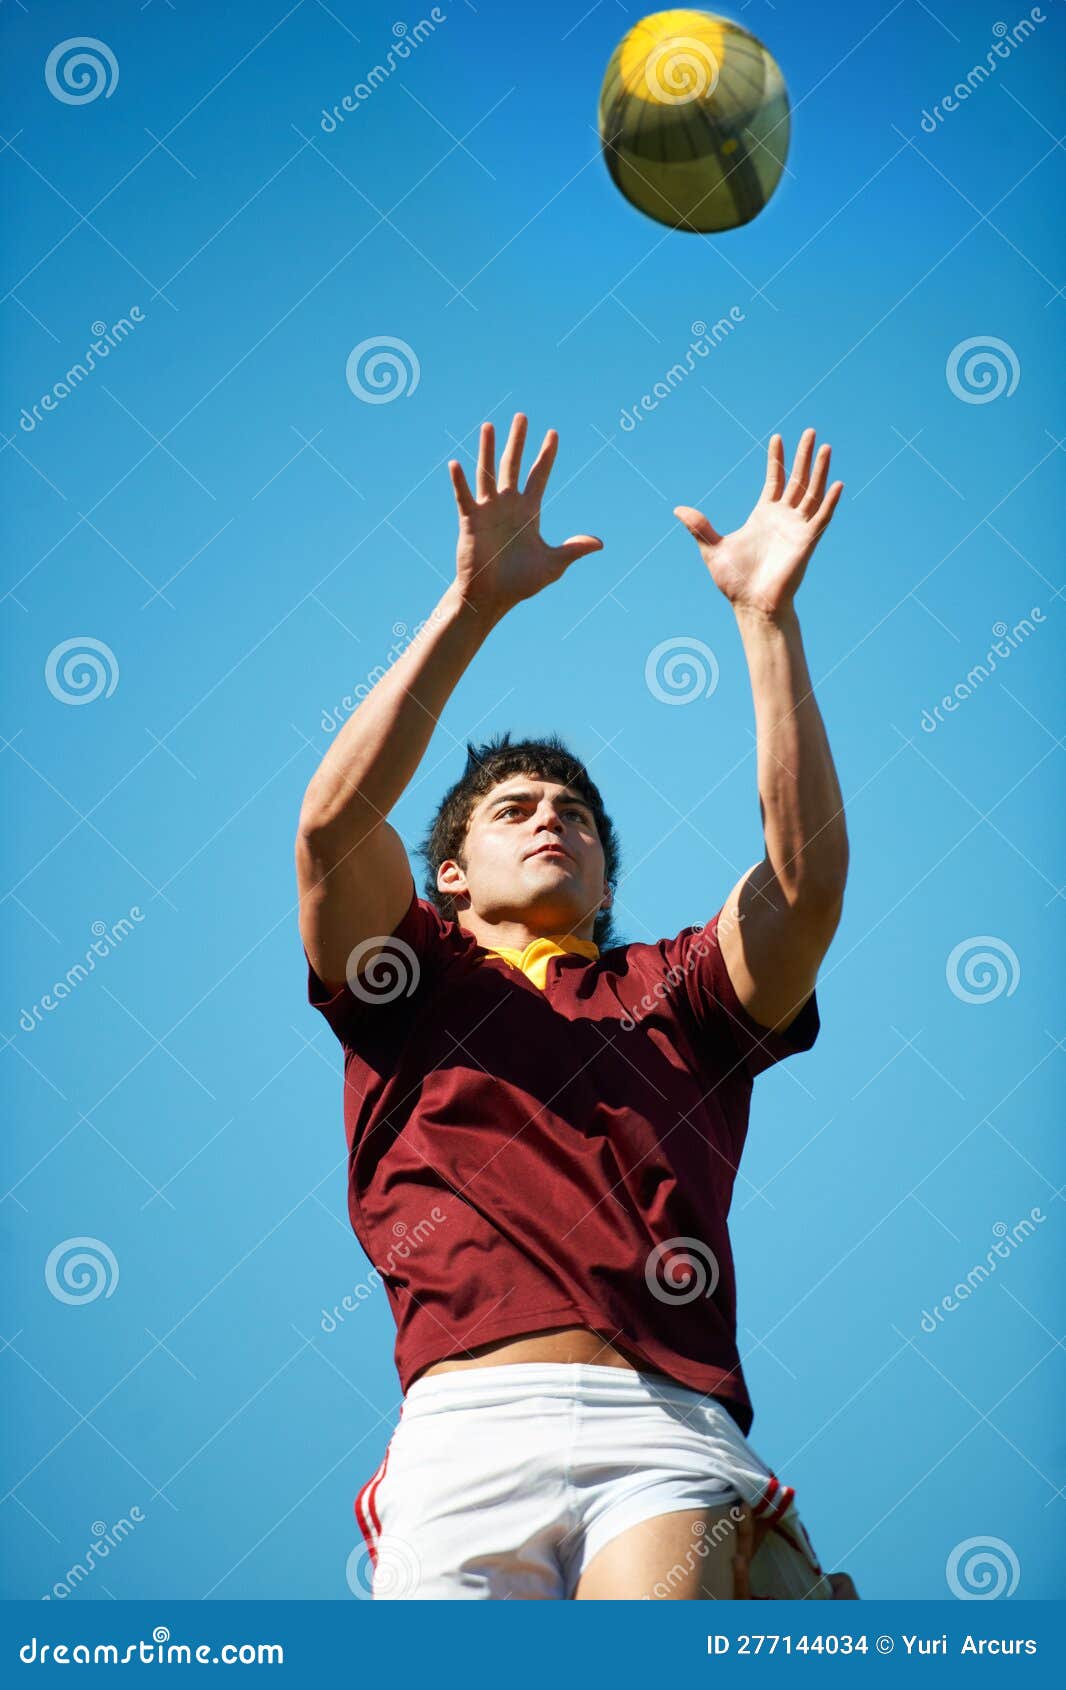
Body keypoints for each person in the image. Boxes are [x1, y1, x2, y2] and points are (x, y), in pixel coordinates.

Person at [296, 414, 857, 1600]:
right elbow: (333, 830)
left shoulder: (675, 991)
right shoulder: (411, 985)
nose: (552, 815)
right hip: (458, 1430)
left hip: (659, 1420)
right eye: (513, 809)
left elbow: (804, 887)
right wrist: (472, 607)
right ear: (445, 875)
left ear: (604, 878)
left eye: (578, 814)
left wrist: (766, 620)